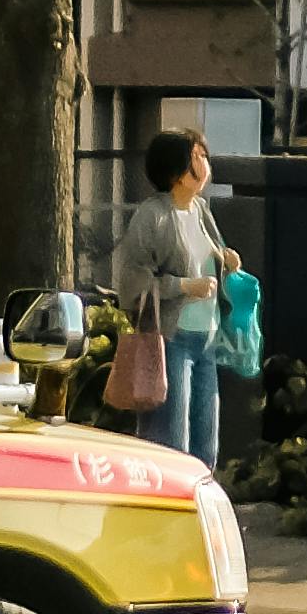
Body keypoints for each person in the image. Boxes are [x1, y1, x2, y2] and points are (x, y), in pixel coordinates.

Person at [118, 125, 238, 464]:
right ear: (176, 171)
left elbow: (211, 257)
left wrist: (227, 261)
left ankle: (197, 509)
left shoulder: (200, 210)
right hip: (170, 341)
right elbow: (132, 284)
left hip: (207, 339)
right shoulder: (152, 216)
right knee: (172, 444)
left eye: (204, 155)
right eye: (195, 157)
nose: (204, 163)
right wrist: (184, 286)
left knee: (207, 445)